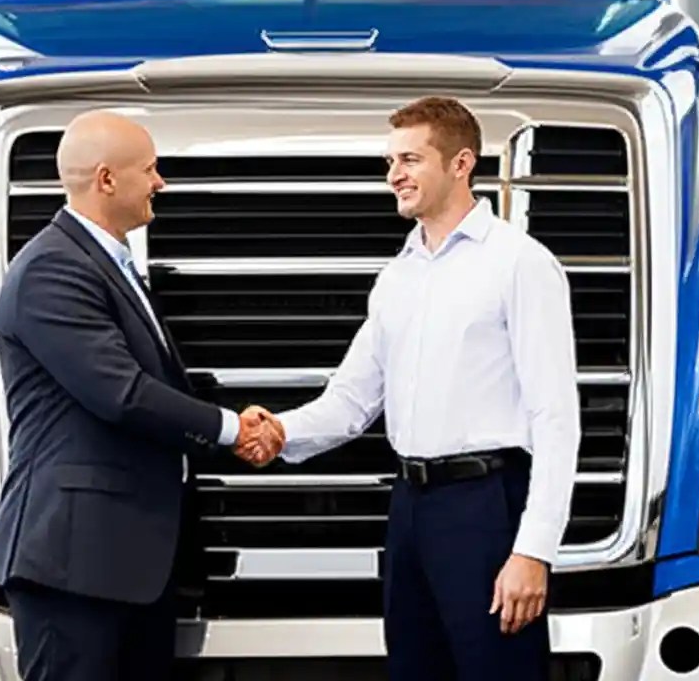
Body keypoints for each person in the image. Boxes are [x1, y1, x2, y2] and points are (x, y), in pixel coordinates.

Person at [238, 96, 582, 680]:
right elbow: (351, 401)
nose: (393, 174)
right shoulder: (398, 276)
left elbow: (555, 417)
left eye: (410, 159)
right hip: (410, 511)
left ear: (461, 164)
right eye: (390, 161)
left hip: (485, 506)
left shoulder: (520, 263)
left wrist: (533, 550)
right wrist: (279, 432)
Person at [0, 109, 272, 680]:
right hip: (75, 563)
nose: (160, 182)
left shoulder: (103, 264)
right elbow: (121, 392)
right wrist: (233, 429)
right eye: (150, 169)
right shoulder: (51, 269)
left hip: (124, 562)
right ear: (107, 179)